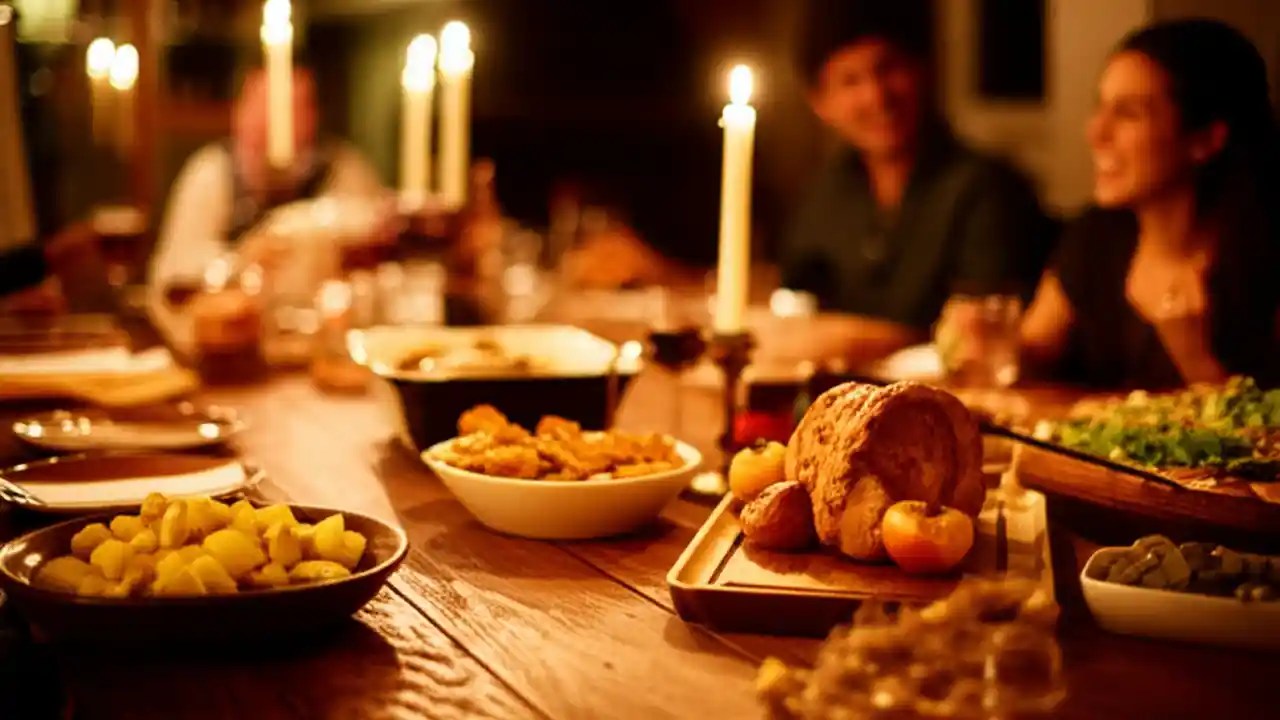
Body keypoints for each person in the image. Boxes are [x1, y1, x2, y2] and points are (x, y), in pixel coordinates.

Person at [780, 0, 1049, 363]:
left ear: (922, 69)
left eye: (887, 68)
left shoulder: (987, 188)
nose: (877, 96)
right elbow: (796, 302)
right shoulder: (827, 192)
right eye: (850, 80)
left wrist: (848, 340)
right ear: (820, 103)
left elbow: (986, 334)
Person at [1021, 19, 1280, 388]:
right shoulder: (1098, 234)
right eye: (1101, 107)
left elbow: (1267, 438)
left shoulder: (1264, 256)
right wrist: (985, 342)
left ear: (1205, 139)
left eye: (1128, 113)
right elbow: (1031, 353)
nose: (1096, 133)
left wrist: (1194, 356)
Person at [149, 67, 385, 294]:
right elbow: (176, 270)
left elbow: (373, 230)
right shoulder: (211, 172)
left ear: (313, 116)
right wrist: (238, 261)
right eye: (263, 105)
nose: (273, 120)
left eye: (293, 108)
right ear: (239, 113)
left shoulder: (342, 168)